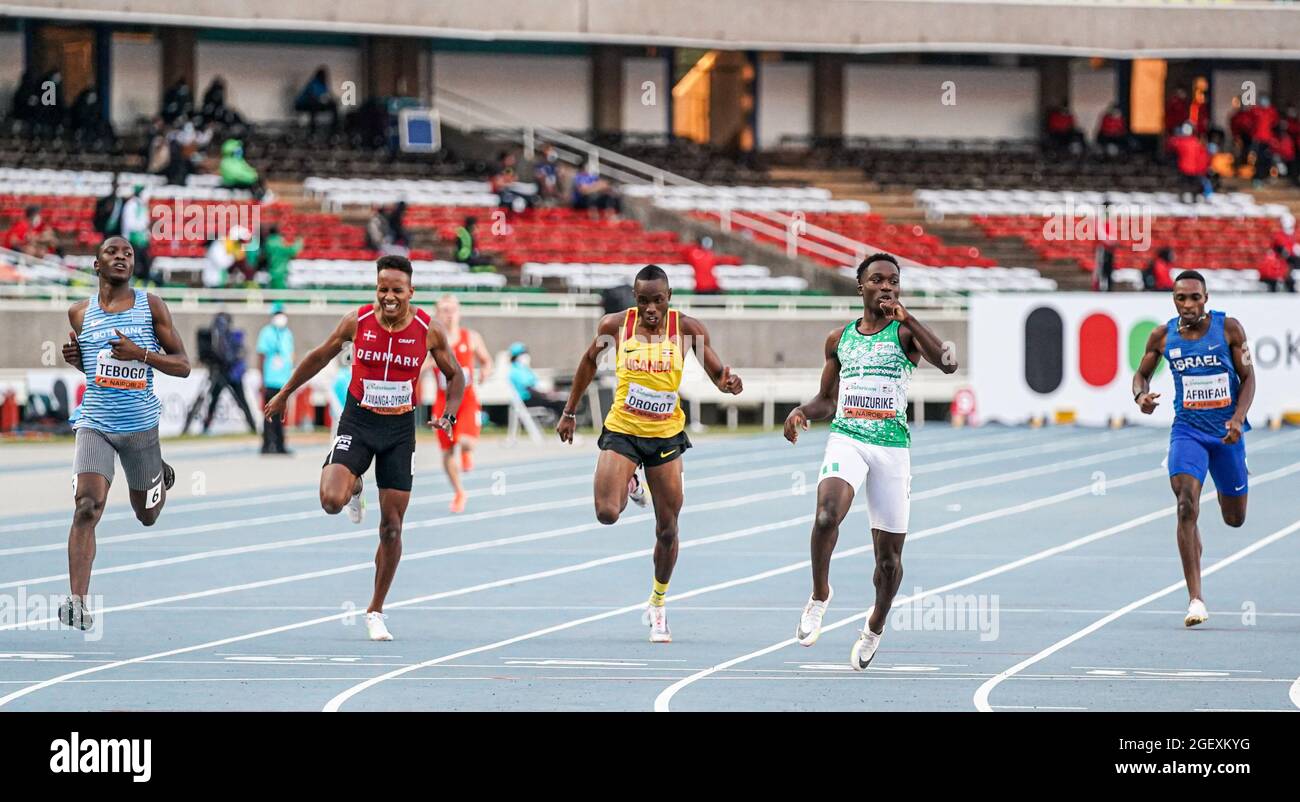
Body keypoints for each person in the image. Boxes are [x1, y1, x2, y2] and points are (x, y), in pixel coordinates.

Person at [262, 255, 466, 641]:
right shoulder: (358, 321)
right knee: (331, 500)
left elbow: (456, 375)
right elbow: (321, 355)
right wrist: (286, 392)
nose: (388, 297)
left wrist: (449, 414)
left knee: (391, 528)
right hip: (358, 421)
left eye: (396, 290)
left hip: (400, 431)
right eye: (382, 289)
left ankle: (375, 609)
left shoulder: (428, 329)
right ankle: (355, 484)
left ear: (411, 292)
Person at [783, 253, 958, 669]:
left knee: (888, 560)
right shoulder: (839, 339)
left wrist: (908, 317)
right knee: (826, 516)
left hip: (892, 447)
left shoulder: (906, 334)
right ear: (860, 287)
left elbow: (948, 364)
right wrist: (802, 412)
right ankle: (820, 594)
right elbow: (827, 400)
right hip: (848, 437)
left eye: (893, 281)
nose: (886, 287)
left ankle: (876, 622)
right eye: (877, 280)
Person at [555, 265, 744, 643]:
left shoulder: (688, 330)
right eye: (643, 301)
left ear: (669, 297)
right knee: (607, 513)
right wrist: (569, 411)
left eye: (658, 300)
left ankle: (658, 603)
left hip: (665, 436)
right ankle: (631, 481)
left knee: (668, 527)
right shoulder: (615, 327)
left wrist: (728, 382)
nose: (651, 309)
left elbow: (716, 372)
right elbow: (588, 363)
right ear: (635, 299)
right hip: (623, 429)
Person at [57, 237, 190, 630]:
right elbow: (101, 371)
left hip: (140, 429)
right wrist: (80, 363)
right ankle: (77, 602)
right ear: (96, 265)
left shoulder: (151, 306)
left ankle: (159, 474)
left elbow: (183, 365)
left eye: (128, 254)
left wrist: (142, 355)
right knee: (87, 506)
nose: (121, 257)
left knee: (146, 515)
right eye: (112, 253)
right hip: (95, 422)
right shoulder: (79, 313)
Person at [1133, 270, 1254, 627]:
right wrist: (1141, 396)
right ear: (1173, 300)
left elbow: (1248, 379)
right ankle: (1196, 599)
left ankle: (1232, 477)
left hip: (1226, 434)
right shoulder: (1163, 335)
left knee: (1235, 519)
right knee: (1186, 504)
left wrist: (1238, 417)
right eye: (1180, 298)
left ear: (1206, 298)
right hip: (1187, 431)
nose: (1188, 304)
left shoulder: (1229, 329)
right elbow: (1141, 375)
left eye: (1194, 297)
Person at [429, 295, 493, 513]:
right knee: (447, 451)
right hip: (443, 402)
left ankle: (466, 451)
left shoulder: (471, 337)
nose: (449, 314)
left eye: (452, 309)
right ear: (437, 314)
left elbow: (486, 361)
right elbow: (418, 364)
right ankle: (459, 492)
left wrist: (485, 371)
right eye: (444, 310)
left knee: (466, 442)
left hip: (466, 401)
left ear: (459, 312)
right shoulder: (432, 340)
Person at [200, 311, 259, 435]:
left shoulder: (235, 336)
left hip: (233, 374)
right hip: (221, 373)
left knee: (242, 401)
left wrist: (229, 359)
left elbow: (237, 354)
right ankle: (205, 427)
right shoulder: (214, 338)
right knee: (213, 401)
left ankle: (253, 426)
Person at [257, 303, 295, 454]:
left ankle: (280, 445)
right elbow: (261, 355)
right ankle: (267, 444)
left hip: (283, 381)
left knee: (281, 415)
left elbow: (290, 356)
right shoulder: (266, 332)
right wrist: (262, 379)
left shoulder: (288, 333)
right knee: (268, 414)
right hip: (270, 379)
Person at [508, 342, 569, 419]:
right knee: (560, 403)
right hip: (526, 401)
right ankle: (565, 428)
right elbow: (529, 389)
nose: (526, 356)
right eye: (523, 353)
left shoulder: (525, 369)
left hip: (534, 397)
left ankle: (564, 428)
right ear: (516, 356)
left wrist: (550, 393)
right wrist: (546, 396)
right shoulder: (515, 371)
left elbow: (536, 385)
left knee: (562, 400)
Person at [120, 185, 153, 286]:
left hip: (142, 242)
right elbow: (130, 224)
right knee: (134, 266)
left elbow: (146, 222)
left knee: (146, 266)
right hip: (133, 241)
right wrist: (143, 226)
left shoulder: (143, 206)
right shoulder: (131, 205)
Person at [295, 67, 338, 134]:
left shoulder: (323, 85)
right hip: (302, 104)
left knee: (333, 105)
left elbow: (328, 95)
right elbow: (313, 97)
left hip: (315, 104)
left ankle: (334, 129)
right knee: (314, 106)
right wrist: (322, 101)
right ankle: (312, 130)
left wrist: (333, 100)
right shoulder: (313, 83)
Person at [259, 225, 304, 290]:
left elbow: (263, 255)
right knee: (279, 292)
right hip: (280, 272)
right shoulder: (279, 243)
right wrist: (299, 242)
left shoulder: (267, 242)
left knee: (273, 291)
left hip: (270, 270)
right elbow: (292, 251)